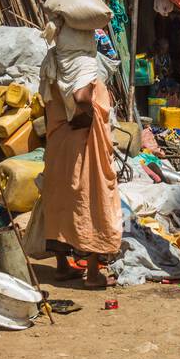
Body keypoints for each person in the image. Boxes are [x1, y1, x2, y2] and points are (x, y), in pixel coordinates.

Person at [34, 21, 123, 288]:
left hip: (58, 139)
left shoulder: (54, 60)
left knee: (60, 198)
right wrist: (84, 118)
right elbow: (82, 97)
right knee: (92, 198)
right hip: (82, 141)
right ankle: (93, 272)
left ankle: (62, 266)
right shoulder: (84, 64)